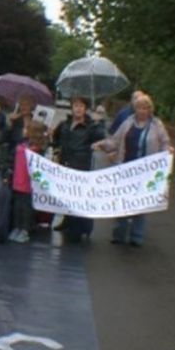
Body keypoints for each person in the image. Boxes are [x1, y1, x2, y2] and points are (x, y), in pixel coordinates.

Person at [94, 93, 173, 247]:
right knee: (123, 202)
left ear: (150, 109)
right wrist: (102, 144)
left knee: (140, 204)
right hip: (126, 169)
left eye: (145, 108)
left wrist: (167, 152)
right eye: (139, 108)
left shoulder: (157, 125)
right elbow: (115, 141)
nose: (142, 111)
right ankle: (119, 234)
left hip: (146, 172)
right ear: (135, 109)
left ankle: (137, 236)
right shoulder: (128, 123)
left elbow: (165, 143)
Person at [51, 96, 105, 242]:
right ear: (72, 108)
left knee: (78, 197)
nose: (78, 109)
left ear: (85, 109)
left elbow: (101, 137)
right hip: (65, 162)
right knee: (66, 195)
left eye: (81, 106)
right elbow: (55, 138)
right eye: (76, 105)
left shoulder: (91, 126)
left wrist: (99, 122)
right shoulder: (65, 124)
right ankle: (66, 221)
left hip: (81, 164)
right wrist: (56, 150)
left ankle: (81, 228)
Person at [9, 121, 49, 244]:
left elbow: (39, 170)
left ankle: (25, 229)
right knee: (17, 207)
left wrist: (39, 182)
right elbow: (12, 158)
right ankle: (17, 227)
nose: (24, 130)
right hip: (17, 180)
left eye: (27, 128)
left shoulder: (38, 150)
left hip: (28, 183)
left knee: (26, 208)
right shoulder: (22, 144)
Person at [5, 94, 36, 175]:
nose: (24, 107)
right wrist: (11, 121)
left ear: (31, 106)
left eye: (27, 104)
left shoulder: (35, 119)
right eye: (22, 104)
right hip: (14, 150)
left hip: (29, 152)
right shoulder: (15, 117)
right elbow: (7, 130)